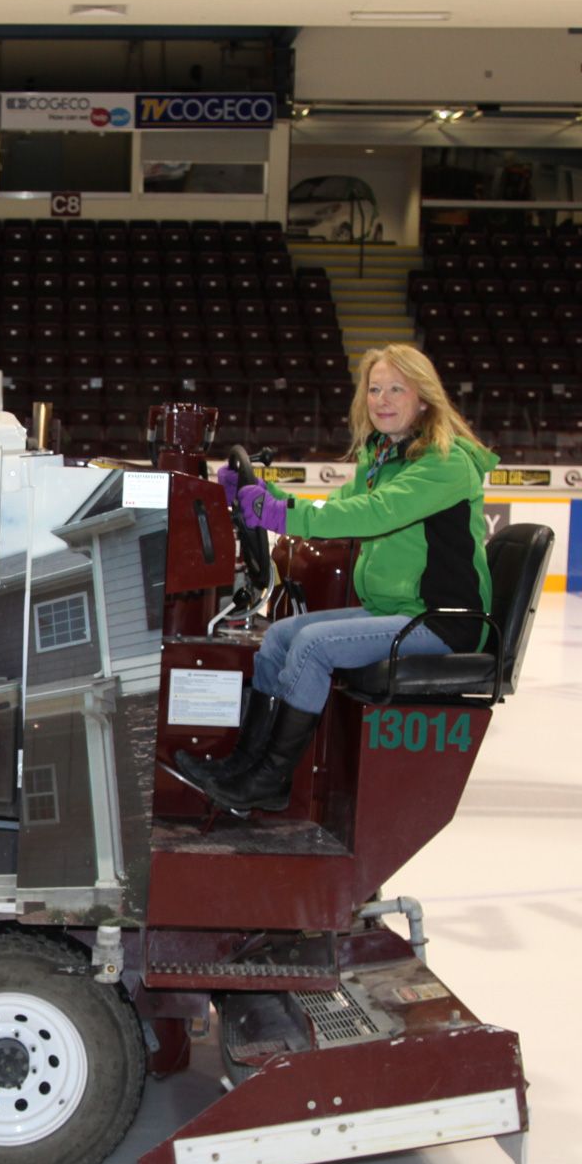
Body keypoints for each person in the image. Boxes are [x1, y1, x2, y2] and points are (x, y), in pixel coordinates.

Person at [176, 343, 499, 816]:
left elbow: (373, 513)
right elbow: (336, 507)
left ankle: (270, 780)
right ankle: (244, 764)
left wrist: (277, 514)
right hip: (395, 611)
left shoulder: (444, 463)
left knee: (314, 646)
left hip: (442, 621)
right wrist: (264, 493)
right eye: (374, 389)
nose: (382, 400)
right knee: (281, 635)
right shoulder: (385, 459)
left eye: (396, 389)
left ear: (424, 399)